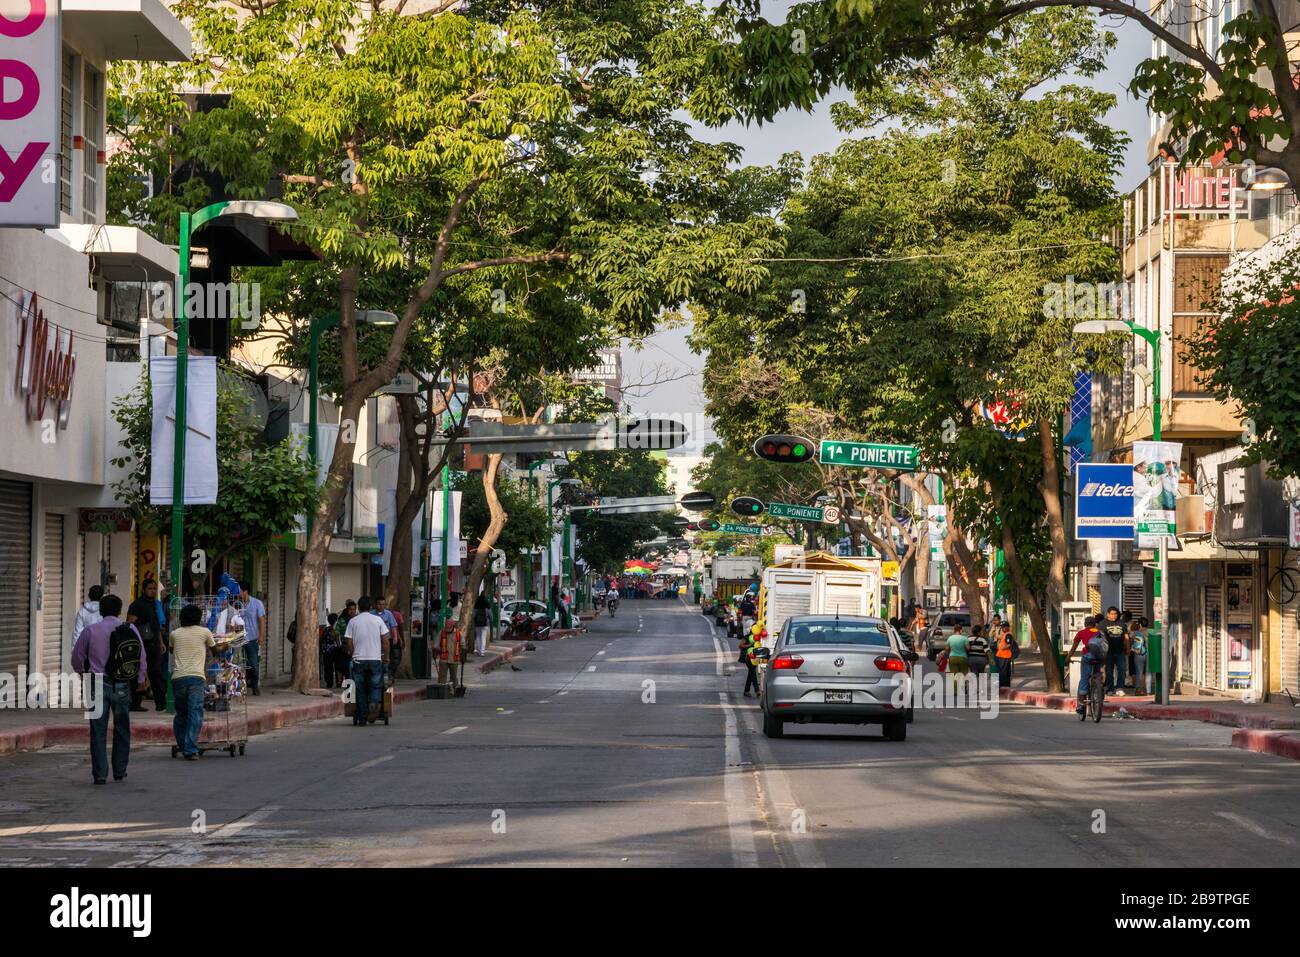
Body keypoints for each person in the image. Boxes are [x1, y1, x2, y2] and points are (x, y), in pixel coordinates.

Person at [70, 594, 146, 785]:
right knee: (122, 728)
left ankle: (100, 774)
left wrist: (81, 671)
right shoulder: (130, 629)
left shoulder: (90, 631)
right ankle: (120, 770)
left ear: (101, 611)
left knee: (98, 730)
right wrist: (140, 679)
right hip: (122, 684)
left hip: (97, 683)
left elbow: (77, 657)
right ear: (120, 611)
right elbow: (141, 656)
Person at [170, 603, 230, 760]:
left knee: (181, 714)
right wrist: (226, 645)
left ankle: (183, 745)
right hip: (196, 678)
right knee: (195, 712)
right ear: (198, 618)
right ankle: (190, 749)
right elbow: (215, 651)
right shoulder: (205, 632)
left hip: (178, 678)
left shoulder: (175, 634)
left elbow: (172, 649)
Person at [346, 596, 389, 725]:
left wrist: (353, 654)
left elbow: (349, 642)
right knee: (376, 685)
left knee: (360, 688)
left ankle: (363, 717)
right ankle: (374, 702)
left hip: (359, 659)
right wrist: (386, 657)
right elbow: (386, 642)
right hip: (375, 659)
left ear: (358, 607)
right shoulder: (378, 620)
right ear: (371, 607)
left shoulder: (353, 621)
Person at [127, 580, 168, 712]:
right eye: (150, 588)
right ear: (143, 589)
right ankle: (135, 703)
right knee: (138, 674)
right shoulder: (136, 605)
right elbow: (130, 624)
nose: (153, 591)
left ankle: (160, 703)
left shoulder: (156, 605)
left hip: (154, 645)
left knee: (156, 674)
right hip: (140, 645)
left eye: (154, 589)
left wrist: (161, 643)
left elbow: (156, 627)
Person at [1067, 615, 1108, 714]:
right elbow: (1105, 645)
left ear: (1085, 624)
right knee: (1098, 674)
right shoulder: (1100, 632)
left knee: (1084, 678)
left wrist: (1067, 658)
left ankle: (1081, 705)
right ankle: (1099, 692)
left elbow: (1074, 646)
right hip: (1100, 657)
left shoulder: (1081, 632)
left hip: (1087, 657)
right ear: (1095, 624)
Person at [238, 584, 267, 696]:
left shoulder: (257, 603)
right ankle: (240, 687)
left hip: (252, 638)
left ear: (245, 591)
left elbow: (261, 620)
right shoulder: (237, 603)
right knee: (238, 664)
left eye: (239, 591)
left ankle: (255, 685)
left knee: (253, 663)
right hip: (238, 639)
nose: (238, 593)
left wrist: (261, 636)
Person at [1100, 606, 1128, 696]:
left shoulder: (1121, 623)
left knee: (1122, 670)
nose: (1114, 616)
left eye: (1115, 614)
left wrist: (1128, 648)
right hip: (1108, 653)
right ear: (1108, 614)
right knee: (1109, 671)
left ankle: (1120, 688)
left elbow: (1126, 637)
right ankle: (1110, 688)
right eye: (1112, 614)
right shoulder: (1102, 624)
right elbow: (1098, 637)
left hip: (1120, 652)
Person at [374, 597, 401, 670]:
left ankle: (386, 673)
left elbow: (393, 626)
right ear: (376, 605)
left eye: (383, 604)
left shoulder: (388, 614)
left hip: (386, 640)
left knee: (387, 657)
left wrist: (395, 637)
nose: (381, 606)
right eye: (379, 604)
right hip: (374, 640)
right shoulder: (371, 614)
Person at [334, 600, 357, 684]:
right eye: (350, 609)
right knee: (345, 665)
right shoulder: (341, 621)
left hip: (357, 646)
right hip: (345, 645)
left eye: (354, 609)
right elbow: (336, 633)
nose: (352, 611)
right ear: (347, 610)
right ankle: (347, 682)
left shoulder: (358, 620)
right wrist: (339, 645)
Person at [1130, 617, 1151, 696]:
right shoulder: (1151, 632)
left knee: (1139, 672)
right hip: (1149, 654)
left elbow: (1132, 642)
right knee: (1148, 673)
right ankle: (1148, 691)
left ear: (1140, 625)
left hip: (1139, 654)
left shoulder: (1136, 633)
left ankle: (1138, 689)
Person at [740, 623, 761, 698]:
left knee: (750, 674)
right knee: (752, 673)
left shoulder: (759, 637)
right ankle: (757, 690)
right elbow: (741, 645)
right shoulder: (747, 637)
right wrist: (749, 645)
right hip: (748, 657)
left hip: (755, 658)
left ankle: (746, 691)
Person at [994, 622, 1017, 689]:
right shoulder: (1005, 634)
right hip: (1002, 656)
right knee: (1004, 672)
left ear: (1007, 627)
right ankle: (1005, 686)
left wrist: (1001, 648)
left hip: (1005, 656)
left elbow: (1009, 644)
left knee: (1003, 672)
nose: (1003, 628)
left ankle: (1003, 687)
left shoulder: (1008, 635)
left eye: (1004, 627)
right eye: (1002, 627)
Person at [473, 590, 491, 656]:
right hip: (485, 623)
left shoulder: (476, 606)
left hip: (477, 623)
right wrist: (490, 621)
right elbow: (490, 616)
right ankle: (482, 652)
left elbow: (473, 615)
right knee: (483, 637)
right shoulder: (487, 606)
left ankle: (478, 650)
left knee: (478, 636)